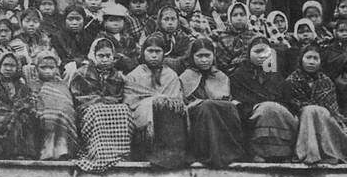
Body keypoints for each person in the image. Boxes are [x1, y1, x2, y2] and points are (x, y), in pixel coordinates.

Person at [283, 44, 347, 165]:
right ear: (301, 59)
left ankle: (326, 152)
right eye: (308, 57)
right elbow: (291, 105)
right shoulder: (291, 81)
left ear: (320, 62)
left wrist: (316, 110)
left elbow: (331, 109)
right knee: (310, 111)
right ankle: (309, 153)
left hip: (324, 120)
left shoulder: (326, 81)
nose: (311, 62)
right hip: (300, 123)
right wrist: (311, 109)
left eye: (315, 58)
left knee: (317, 112)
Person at [179, 38, 247, 168]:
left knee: (230, 108)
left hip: (218, 113)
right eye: (199, 56)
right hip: (195, 115)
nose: (204, 60)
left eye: (207, 55)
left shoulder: (221, 77)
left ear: (213, 56)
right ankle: (205, 153)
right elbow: (182, 102)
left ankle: (229, 152)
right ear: (192, 57)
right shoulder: (185, 77)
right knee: (207, 107)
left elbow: (226, 99)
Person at [124, 33, 189, 169]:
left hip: (168, 117)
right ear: (143, 52)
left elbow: (177, 99)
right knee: (157, 105)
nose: (154, 55)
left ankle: (174, 155)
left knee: (171, 107)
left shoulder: (170, 75)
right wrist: (154, 101)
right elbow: (130, 101)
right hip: (146, 116)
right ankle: (152, 155)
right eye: (150, 51)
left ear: (164, 53)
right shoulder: (134, 75)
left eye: (158, 51)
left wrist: (162, 101)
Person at [229, 36, 299, 162]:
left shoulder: (276, 75)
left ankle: (282, 153)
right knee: (267, 110)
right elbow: (238, 100)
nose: (262, 56)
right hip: (252, 114)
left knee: (275, 110)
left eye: (266, 52)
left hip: (277, 112)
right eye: (257, 52)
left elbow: (287, 99)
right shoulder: (239, 75)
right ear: (248, 53)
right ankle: (258, 153)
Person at [70, 37, 133, 172]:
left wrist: (109, 102)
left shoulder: (118, 76)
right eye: (101, 56)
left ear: (113, 56)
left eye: (108, 56)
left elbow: (120, 97)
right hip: (88, 110)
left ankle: (119, 154)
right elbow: (79, 97)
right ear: (93, 56)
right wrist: (101, 101)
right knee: (98, 110)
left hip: (111, 110)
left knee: (124, 111)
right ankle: (98, 153)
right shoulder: (81, 73)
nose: (105, 59)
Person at [30, 51, 77, 161]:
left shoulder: (62, 85)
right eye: (43, 67)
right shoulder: (33, 84)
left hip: (61, 115)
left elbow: (67, 103)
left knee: (60, 114)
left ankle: (63, 150)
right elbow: (32, 101)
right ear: (37, 68)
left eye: (51, 68)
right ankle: (47, 151)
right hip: (41, 114)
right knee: (49, 117)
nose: (48, 71)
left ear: (57, 68)